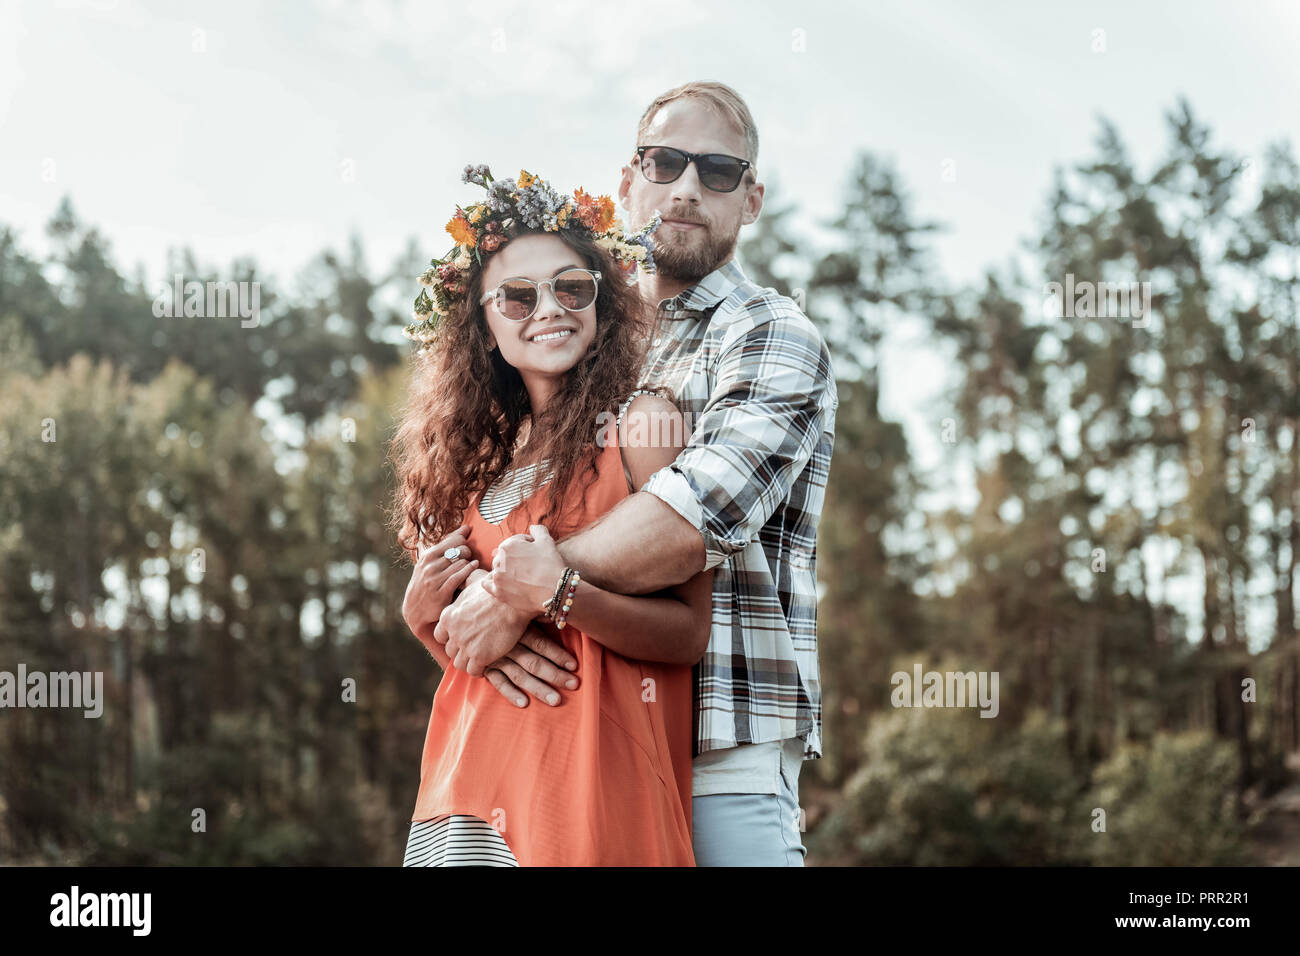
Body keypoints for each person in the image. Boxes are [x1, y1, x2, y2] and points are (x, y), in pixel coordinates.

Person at [431, 83, 839, 866]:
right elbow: (491, 517)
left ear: (750, 199)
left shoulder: (771, 335)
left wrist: (516, 589)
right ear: (628, 181)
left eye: (718, 171)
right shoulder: (576, 332)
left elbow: (693, 518)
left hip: (718, 762)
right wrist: (446, 602)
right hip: (568, 745)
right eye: (666, 162)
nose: (687, 187)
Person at [391, 165, 714, 866]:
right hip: (465, 795)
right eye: (517, 296)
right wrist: (421, 619)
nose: (550, 309)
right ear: (481, 326)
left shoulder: (643, 426)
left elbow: (687, 635)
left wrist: (562, 596)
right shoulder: (475, 469)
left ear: (602, 299)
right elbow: (478, 653)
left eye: (572, 287)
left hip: (588, 800)